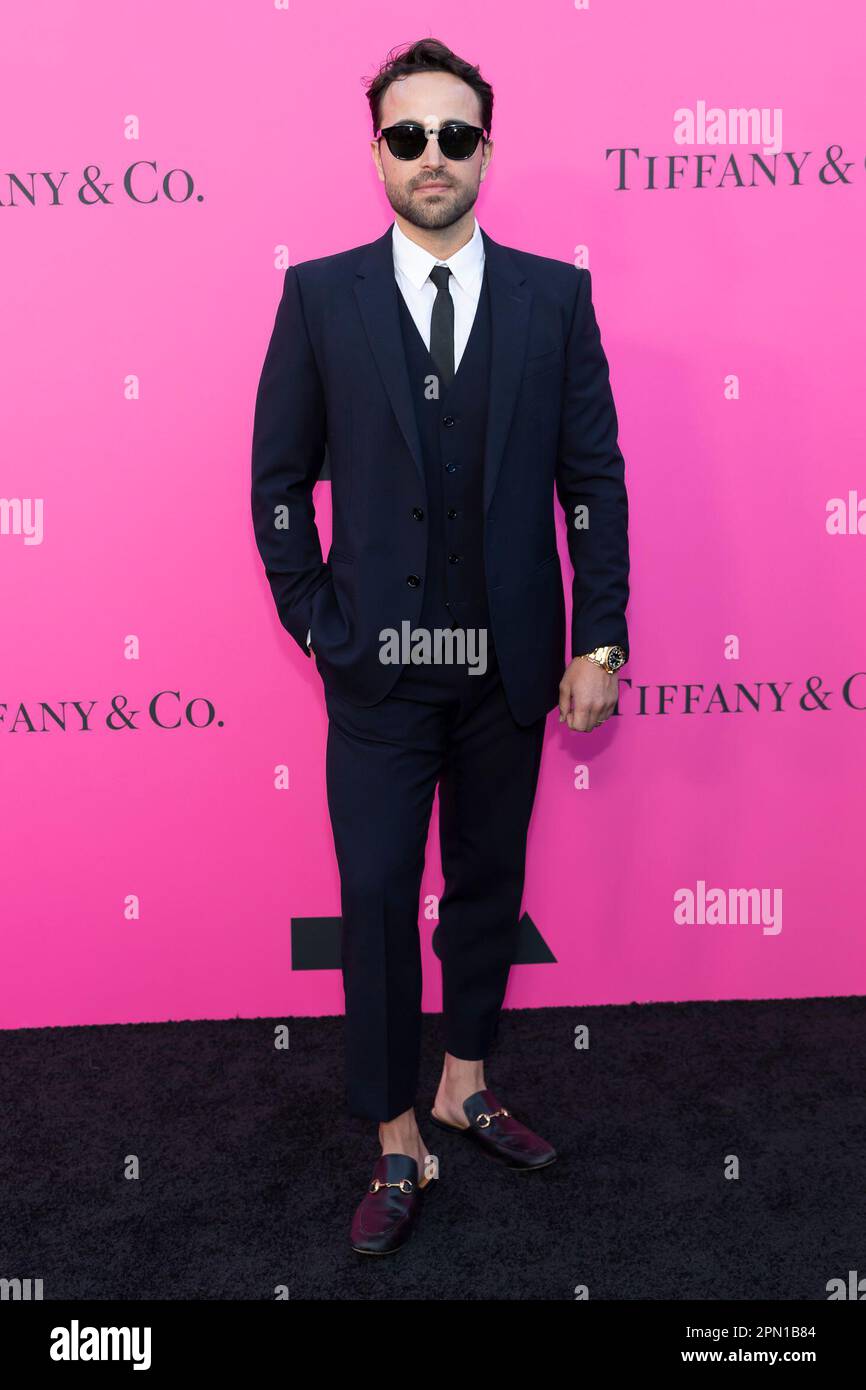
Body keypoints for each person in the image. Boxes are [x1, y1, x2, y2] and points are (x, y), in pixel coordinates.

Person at [251, 36, 629, 1255]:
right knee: (371, 901)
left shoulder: (551, 299)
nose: (430, 156)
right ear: (375, 151)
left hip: (509, 665)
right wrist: (316, 620)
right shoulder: (319, 296)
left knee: (483, 888)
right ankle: (395, 1130)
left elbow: (592, 481)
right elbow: (274, 484)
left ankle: (466, 1081)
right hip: (375, 673)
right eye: (407, 136)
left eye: (453, 135)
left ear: (483, 151)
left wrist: (600, 638)